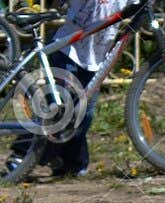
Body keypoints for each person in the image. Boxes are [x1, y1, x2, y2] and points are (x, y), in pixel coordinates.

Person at [5, 1, 126, 180]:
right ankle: (22, 153)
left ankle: (68, 162)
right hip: (68, 50)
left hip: (95, 59)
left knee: (83, 114)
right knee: (57, 109)